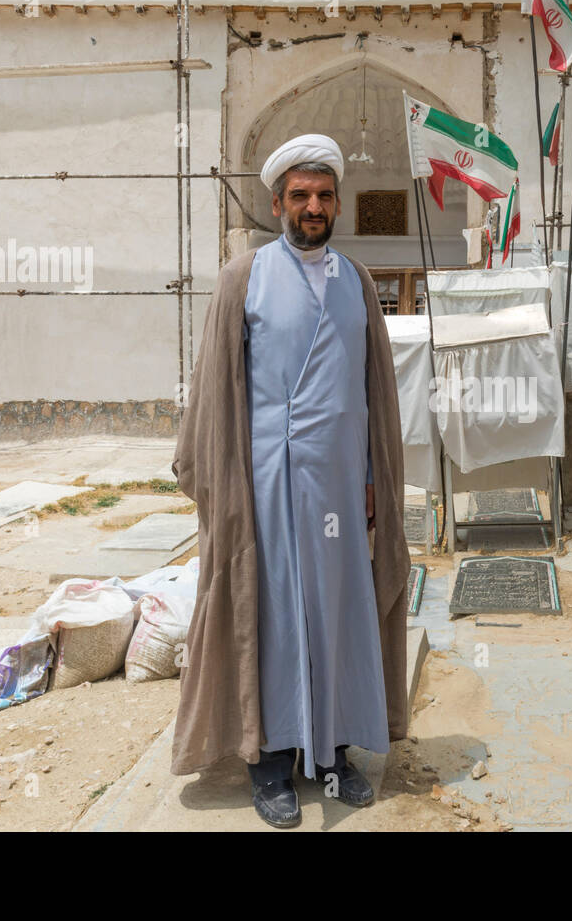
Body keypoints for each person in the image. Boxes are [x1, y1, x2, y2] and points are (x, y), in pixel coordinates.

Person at [170, 133, 410, 829]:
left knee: (335, 606)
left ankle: (331, 755)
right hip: (267, 477)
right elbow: (217, 386)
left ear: (338, 204)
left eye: (324, 195)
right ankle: (270, 760)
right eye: (300, 196)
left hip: (338, 482)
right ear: (277, 202)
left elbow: (371, 394)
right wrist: (224, 481)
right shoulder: (243, 276)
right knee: (270, 612)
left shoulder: (357, 281)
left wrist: (371, 476)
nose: (313, 206)